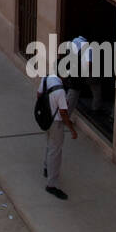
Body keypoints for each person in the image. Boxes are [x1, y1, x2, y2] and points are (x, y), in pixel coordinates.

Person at [38, 72, 77, 200]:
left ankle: (46, 167)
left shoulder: (47, 78)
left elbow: (39, 94)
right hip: (56, 123)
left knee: (49, 145)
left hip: (45, 119)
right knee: (55, 151)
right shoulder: (61, 91)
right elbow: (64, 113)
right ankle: (52, 185)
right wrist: (72, 130)